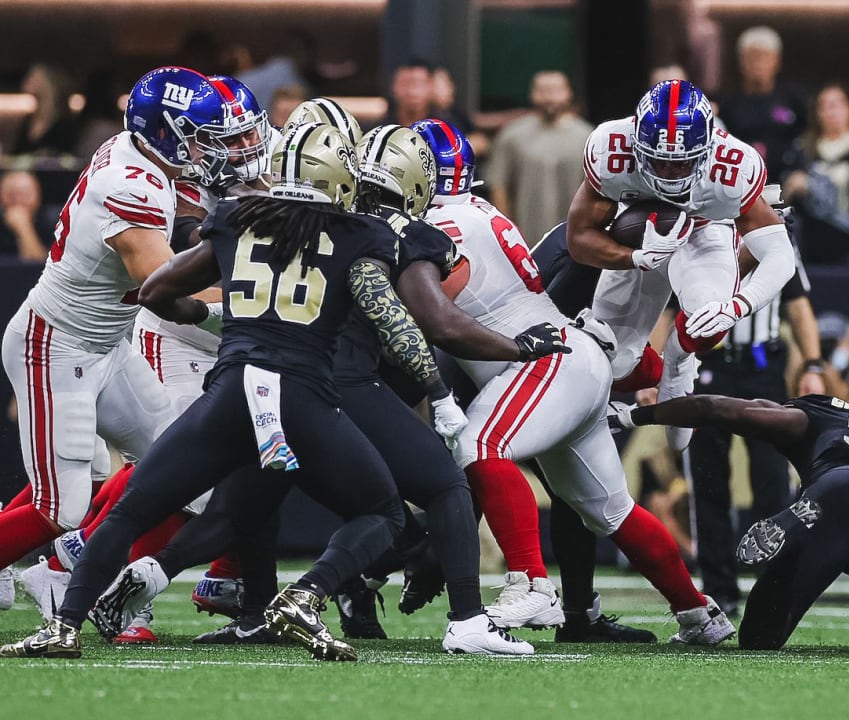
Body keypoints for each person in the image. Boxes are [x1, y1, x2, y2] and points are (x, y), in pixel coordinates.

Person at [94, 122, 566, 655]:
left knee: (243, 506)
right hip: (340, 384)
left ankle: (176, 579)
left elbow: (175, 286)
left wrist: (204, 314)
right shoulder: (401, 235)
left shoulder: (304, 217)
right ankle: (458, 617)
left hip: (264, 379)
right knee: (437, 489)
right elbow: (434, 325)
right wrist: (514, 348)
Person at [0, 121, 432, 662]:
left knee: (135, 508)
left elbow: (157, 290)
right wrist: (436, 391)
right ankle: (305, 595)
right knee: (383, 511)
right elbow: (391, 321)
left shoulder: (235, 218)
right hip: (301, 402)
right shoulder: (363, 235)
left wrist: (215, 312)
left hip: (234, 392)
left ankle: (67, 624)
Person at [417, 118, 735, 645]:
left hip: (543, 362)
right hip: (571, 362)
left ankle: (532, 584)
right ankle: (698, 614)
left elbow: (437, 304)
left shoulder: (442, 226)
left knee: (479, 444)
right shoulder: (478, 211)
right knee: (612, 511)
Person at [0, 67, 229, 589]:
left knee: (182, 463)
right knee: (62, 507)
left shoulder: (136, 151)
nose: (206, 148)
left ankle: (56, 577)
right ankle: (44, 567)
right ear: (166, 132)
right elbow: (166, 292)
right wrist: (241, 309)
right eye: (197, 135)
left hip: (105, 347)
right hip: (56, 347)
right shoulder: (131, 185)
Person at [609, 393, 849, 652]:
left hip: (839, 493)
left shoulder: (814, 416)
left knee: (759, 638)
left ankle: (802, 512)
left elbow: (714, 407)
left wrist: (633, 416)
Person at [568, 80, 795, 453]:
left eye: (682, 161)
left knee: (707, 319)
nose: (670, 172)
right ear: (637, 142)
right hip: (642, 239)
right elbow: (579, 240)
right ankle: (658, 371)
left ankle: (679, 358)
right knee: (615, 366)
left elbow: (780, 254)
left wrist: (738, 305)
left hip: (704, 233)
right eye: (658, 160)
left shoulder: (732, 167)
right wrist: (634, 257)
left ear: (708, 148)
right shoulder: (611, 148)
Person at [686, 250, 824, 617]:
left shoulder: (777, 242)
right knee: (708, 479)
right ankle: (718, 588)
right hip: (707, 365)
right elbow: (669, 309)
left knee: (772, 478)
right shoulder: (693, 236)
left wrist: (812, 364)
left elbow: (797, 305)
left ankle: (773, 583)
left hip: (762, 365)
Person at [780, 83, 849, 265]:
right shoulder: (803, 147)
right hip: (812, 245)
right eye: (824, 106)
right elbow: (782, 202)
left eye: (837, 104)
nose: (831, 112)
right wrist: (793, 186)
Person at [486, 71, 593, 242]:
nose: (550, 96)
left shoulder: (589, 138)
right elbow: (499, 185)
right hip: (525, 239)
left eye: (556, 89)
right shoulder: (511, 136)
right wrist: (507, 234)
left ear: (569, 92)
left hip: (573, 241)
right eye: (543, 90)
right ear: (532, 93)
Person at [716, 26, 807, 181]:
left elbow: (806, 139)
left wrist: (801, 171)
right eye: (752, 57)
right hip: (740, 181)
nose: (758, 63)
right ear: (741, 62)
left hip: (787, 181)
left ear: (777, 61)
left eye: (764, 57)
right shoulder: (727, 104)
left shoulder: (794, 100)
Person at [9, 64, 79, 157]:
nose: (26, 80)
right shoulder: (28, 119)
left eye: (33, 76)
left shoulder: (64, 122)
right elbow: (15, 155)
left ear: (45, 83)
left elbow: (65, 158)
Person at [0, 171, 54, 261]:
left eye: (26, 194)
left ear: (38, 196)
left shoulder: (52, 222)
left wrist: (24, 228)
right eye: (11, 195)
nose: (19, 200)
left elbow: (41, 265)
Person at [383, 59, 435, 129]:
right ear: (393, 87)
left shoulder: (445, 131)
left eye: (419, 84)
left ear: (431, 86)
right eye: (405, 84)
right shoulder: (380, 131)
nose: (412, 92)